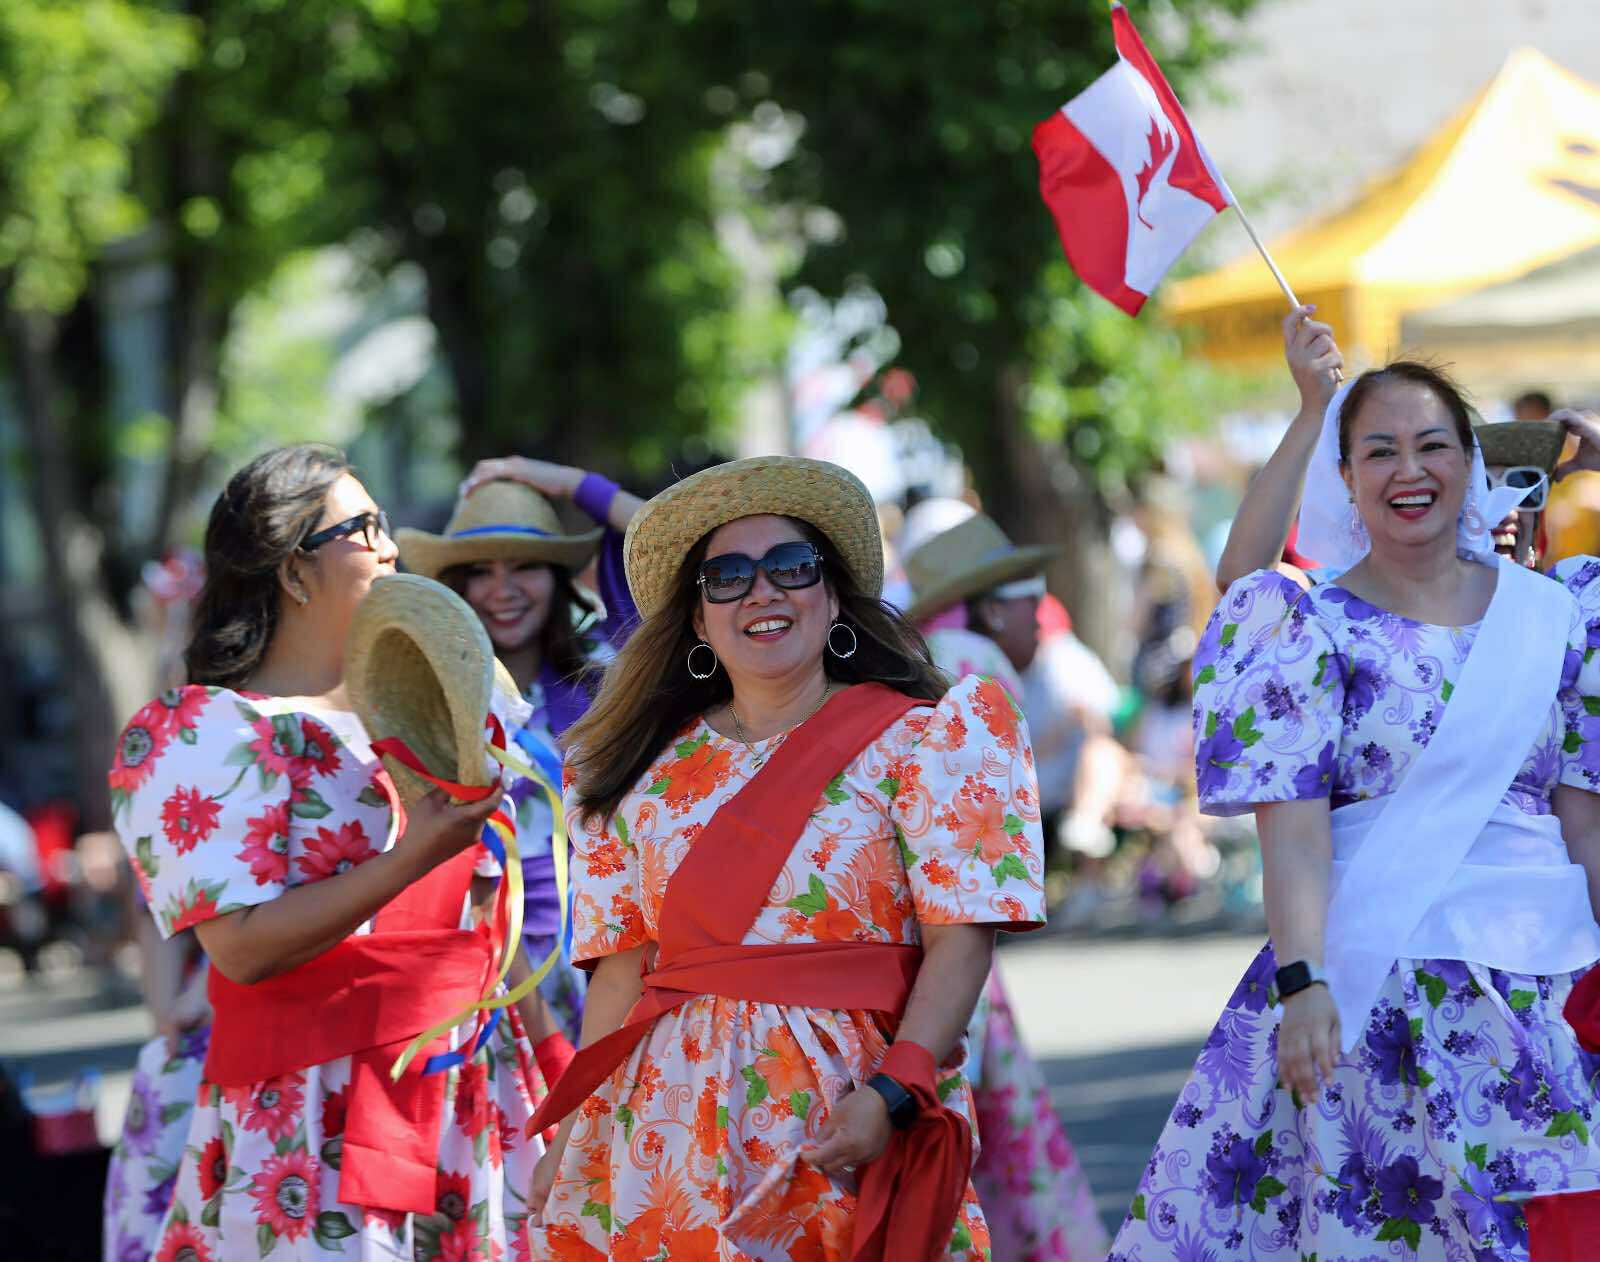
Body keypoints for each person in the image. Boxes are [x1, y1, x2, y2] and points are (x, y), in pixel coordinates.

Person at [1107, 355, 1600, 1260]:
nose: (1409, 470)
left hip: (1548, 994)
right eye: (1379, 451)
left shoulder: (1561, 615)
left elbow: (1586, 826)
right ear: (1345, 478)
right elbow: (1293, 837)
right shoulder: (1307, 625)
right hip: (1376, 998)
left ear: (1470, 464)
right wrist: (1304, 984)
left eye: (1433, 446)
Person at [524, 455, 1047, 1260]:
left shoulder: (929, 737)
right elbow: (621, 976)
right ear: (698, 620)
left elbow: (961, 941)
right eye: (727, 577)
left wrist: (895, 1088)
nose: (761, 591)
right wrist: (569, 1135)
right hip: (667, 1137)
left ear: (832, 595)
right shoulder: (634, 773)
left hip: (847, 1118)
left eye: (792, 566)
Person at [109, 443, 546, 1260]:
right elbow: (239, 949)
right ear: (293, 569)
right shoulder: (215, 732)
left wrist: (551, 1066)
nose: (390, 546)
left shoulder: (435, 701)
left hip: (470, 1085)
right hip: (313, 1113)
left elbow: (488, 916)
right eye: (364, 528)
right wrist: (412, 855)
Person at [901, 515, 1110, 1262]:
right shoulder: (976, 663)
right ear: (991, 609)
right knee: (970, 1122)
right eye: (1030, 603)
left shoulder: (922, 657)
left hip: (909, 933)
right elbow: (988, 838)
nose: (1039, 622)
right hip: (951, 933)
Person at [397, 457, 643, 1047]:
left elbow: (682, 550)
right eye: (480, 572)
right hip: (488, 985)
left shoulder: (610, 677)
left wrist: (571, 483)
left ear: (559, 577)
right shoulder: (426, 703)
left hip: (617, 966)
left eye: (526, 566)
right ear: (455, 587)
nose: (503, 590)